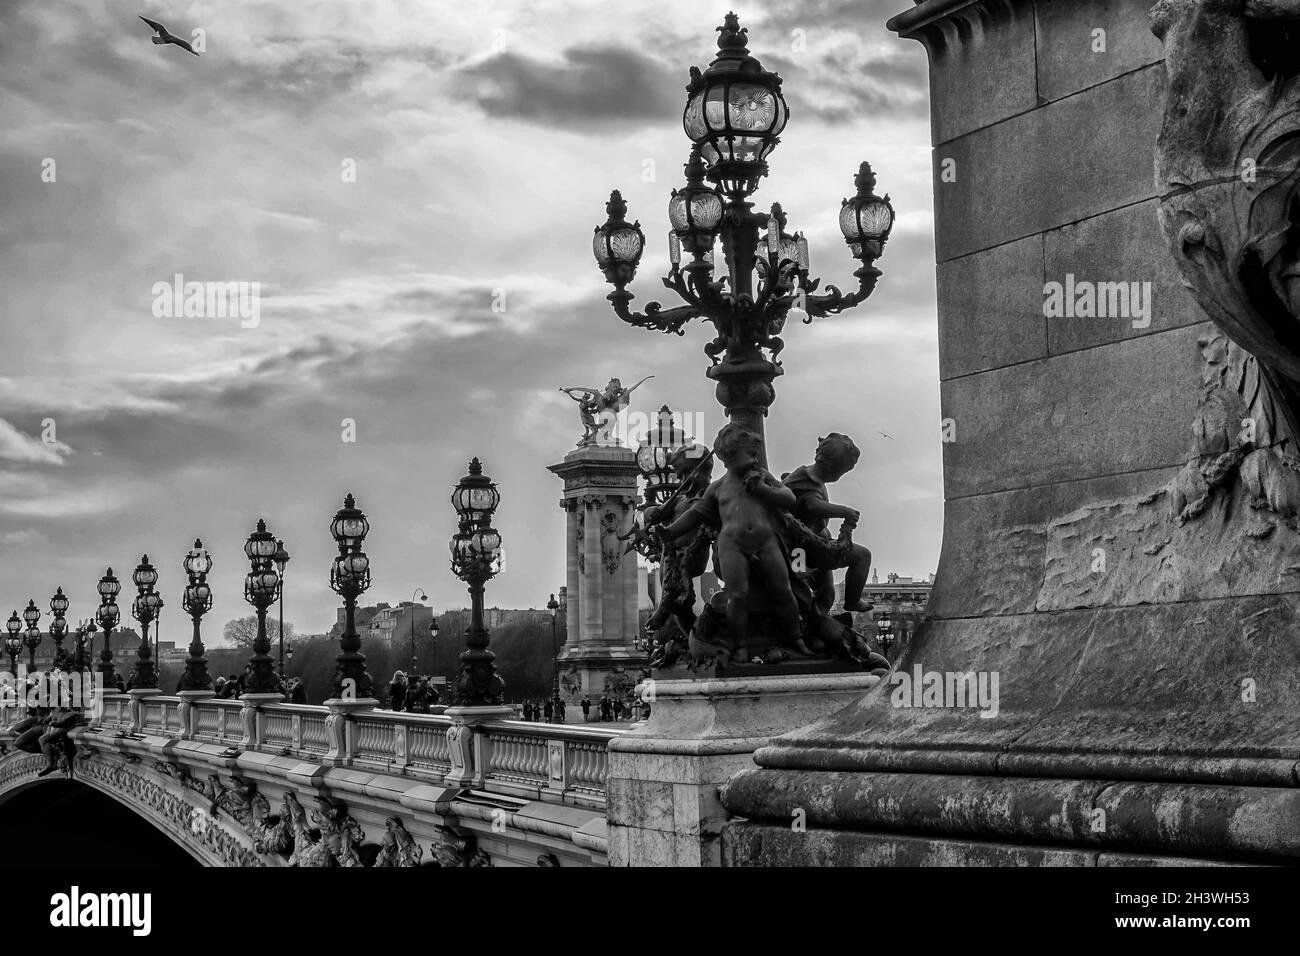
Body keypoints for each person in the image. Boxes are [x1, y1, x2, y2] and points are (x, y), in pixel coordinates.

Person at [664, 423, 801, 651]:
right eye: (751, 454)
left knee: (783, 590)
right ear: (730, 456)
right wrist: (669, 532)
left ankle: (796, 638)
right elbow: (696, 514)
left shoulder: (762, 478)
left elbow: (789, 498)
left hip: (766, 541)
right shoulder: (718, 487)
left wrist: (764, 491)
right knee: (736, 596)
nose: (756, 460)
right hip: (731, 545)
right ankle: (740, 646)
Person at [783, 432, 873, 615]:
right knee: (863, 556)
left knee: (827, 595)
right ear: (833, 469)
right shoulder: (808, 482)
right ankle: (852, 601)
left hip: (809, 544)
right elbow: (811, 505)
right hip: (805, 549)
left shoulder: (806, 475)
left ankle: (817, 624)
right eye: (841, 472)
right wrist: (845, 512)